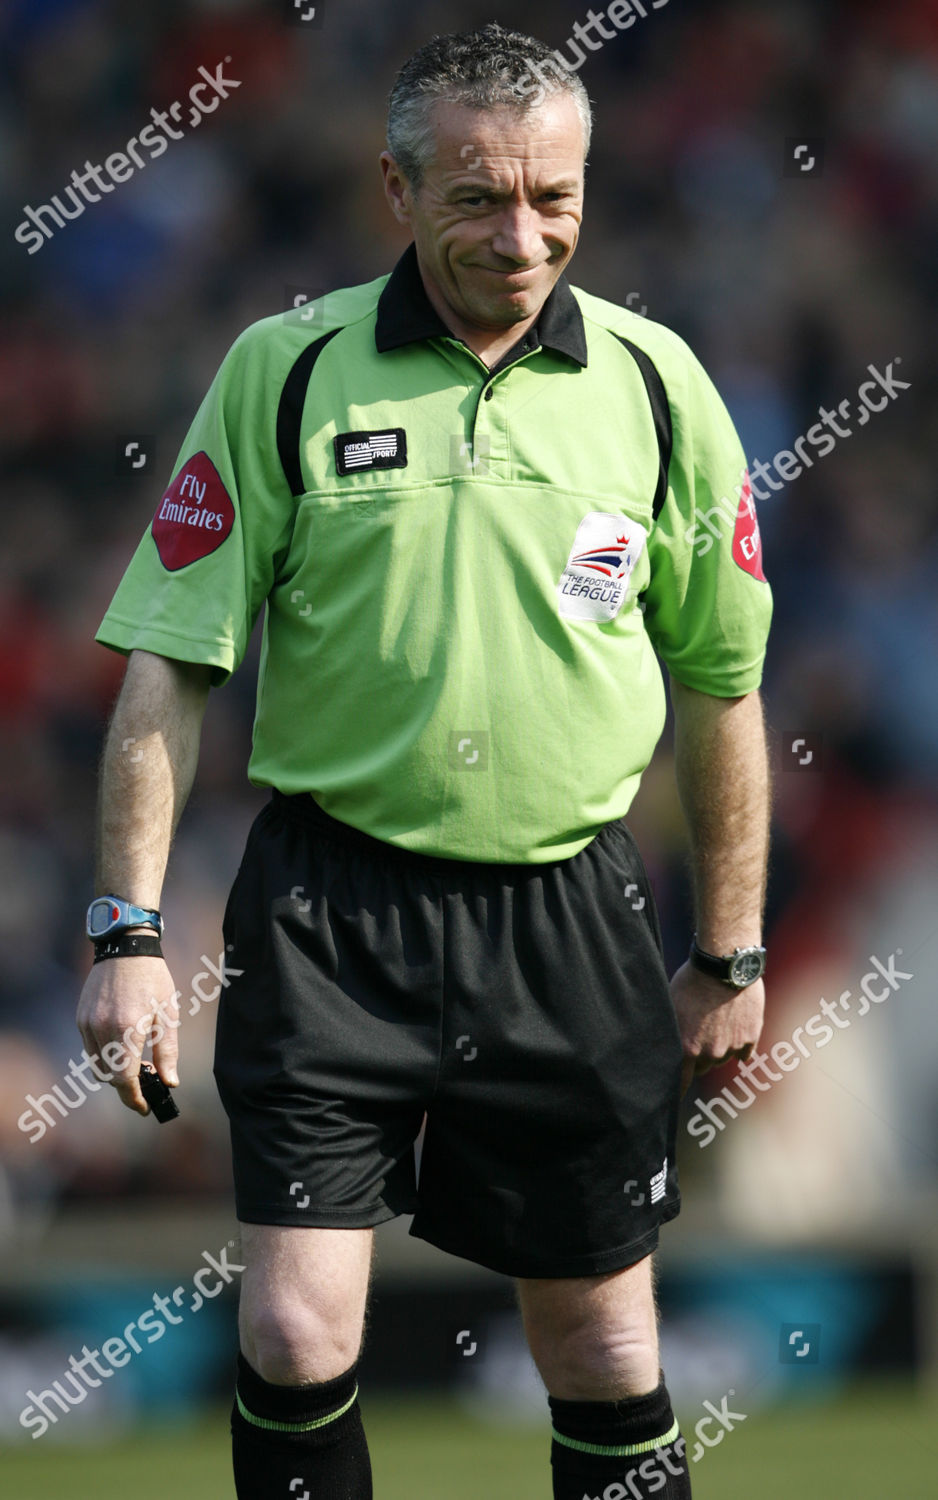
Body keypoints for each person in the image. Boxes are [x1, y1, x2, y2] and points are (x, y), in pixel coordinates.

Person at [77, 22, 771, 1500]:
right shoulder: (282, 371)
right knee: (289, 1329)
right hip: (331, 916)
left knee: (598, 1350)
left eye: (552, 198)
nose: (520, 236)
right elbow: (164, 668)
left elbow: (721, 688)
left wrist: (730, 944)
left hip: (569, 916)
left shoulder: (658, 388)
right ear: (395, 192)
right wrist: (128, 929)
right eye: (475, 198)